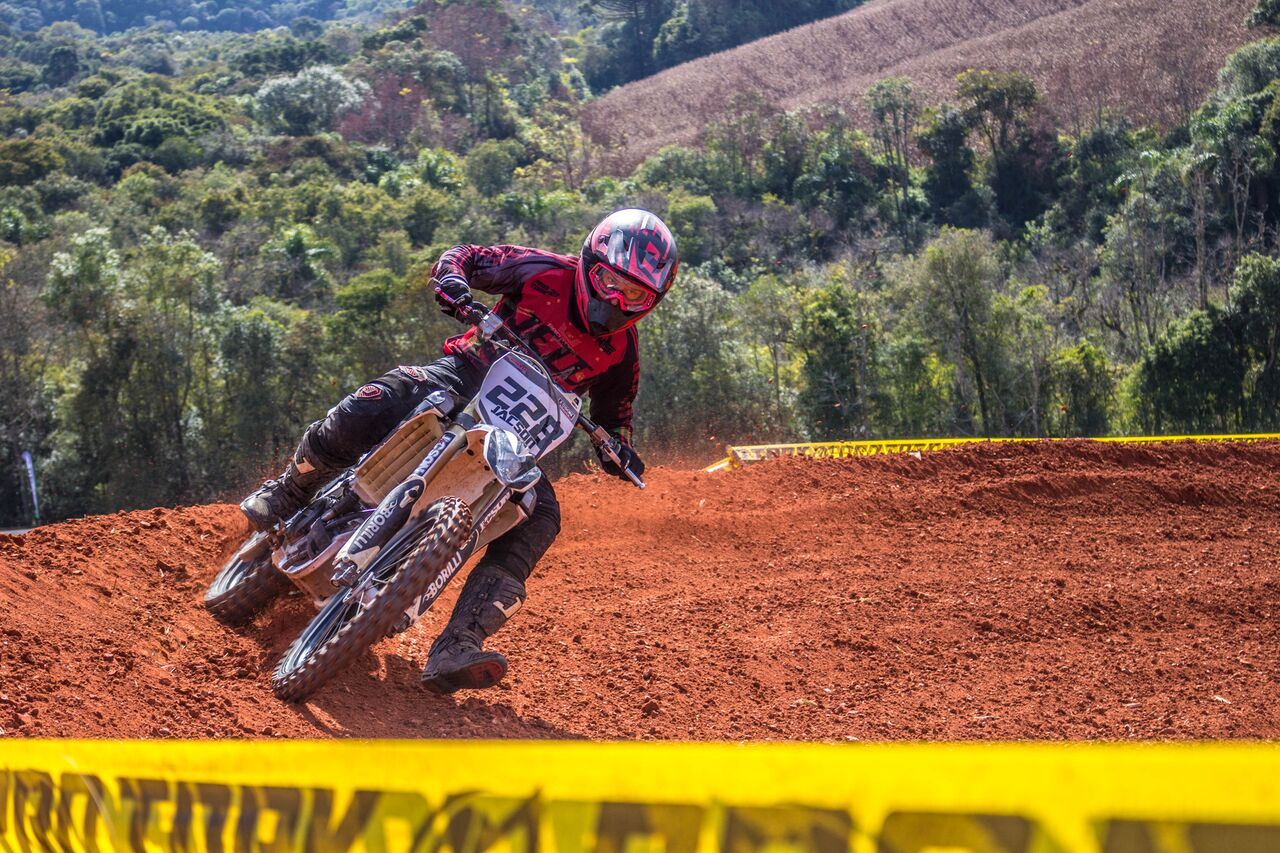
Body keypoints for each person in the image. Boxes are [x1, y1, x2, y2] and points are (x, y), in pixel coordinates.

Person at [239, 209, 678, 693]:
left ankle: (459, 642)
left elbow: (616, 415)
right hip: (465, 375)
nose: (617, 299)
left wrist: (619, 448)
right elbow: (466, 257)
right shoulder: (543, 272)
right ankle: (289, 490)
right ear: (590, 263)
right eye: (610, 281)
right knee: (384, 395)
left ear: (651, 302)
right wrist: (453, 283)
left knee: (542, 517)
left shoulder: (623, 350)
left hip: (518, 441)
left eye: (634, 294)